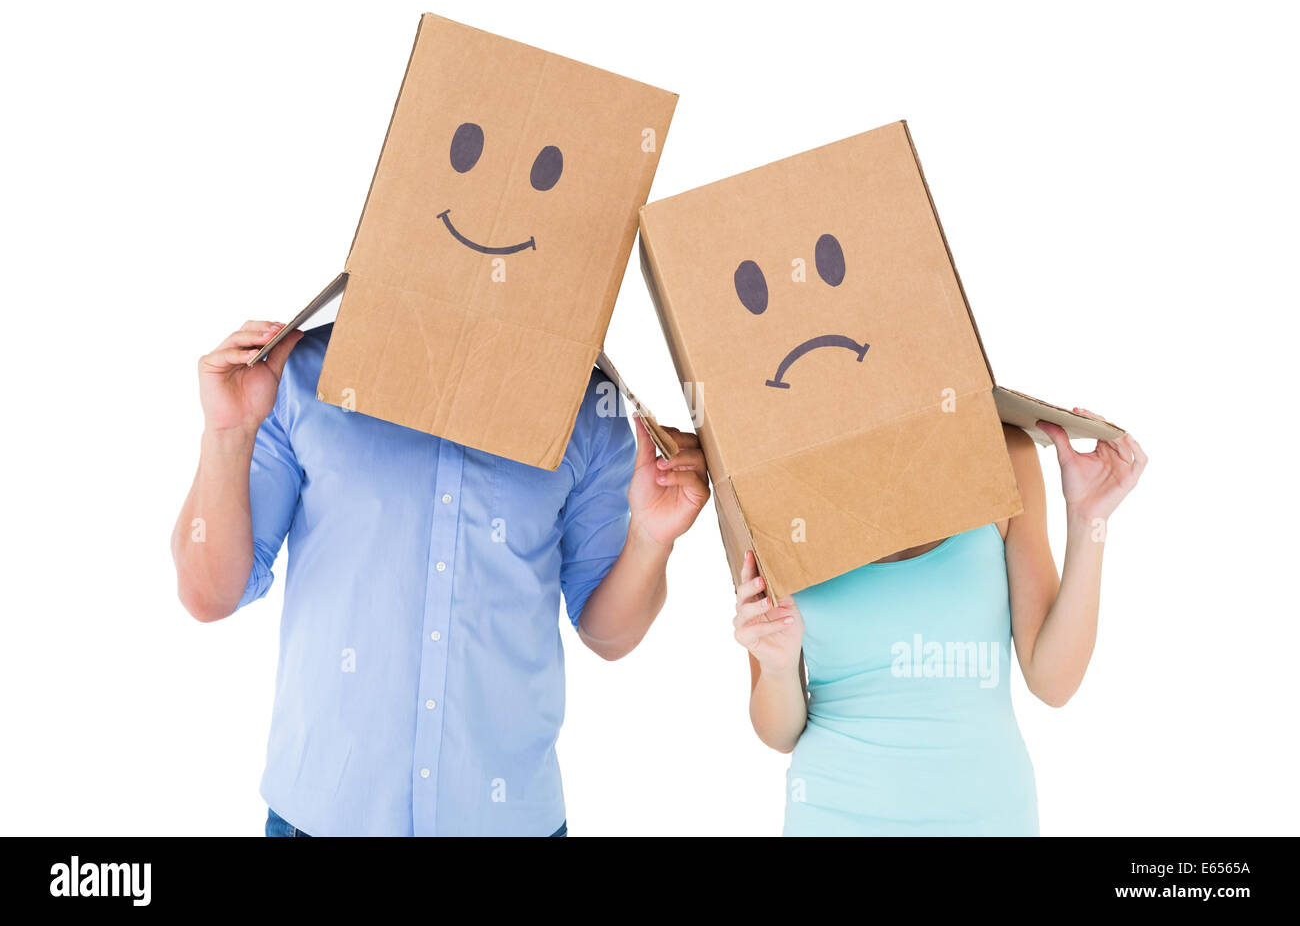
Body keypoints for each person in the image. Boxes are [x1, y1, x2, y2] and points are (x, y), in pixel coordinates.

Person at [171, 320, 709, 836]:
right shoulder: (306, 371)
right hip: (319, 821)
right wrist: (229, 432)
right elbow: (208, 593)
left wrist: (651, 539)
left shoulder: (589, 407)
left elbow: (607, 634)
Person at [733, 417, 1146, 835]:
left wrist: (1087, 519)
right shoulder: (761, 475)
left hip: (986, 817)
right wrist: (779, 669)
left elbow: (1054, 681)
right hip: (833, 813)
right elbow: (779, 733)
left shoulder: (1001, 449)